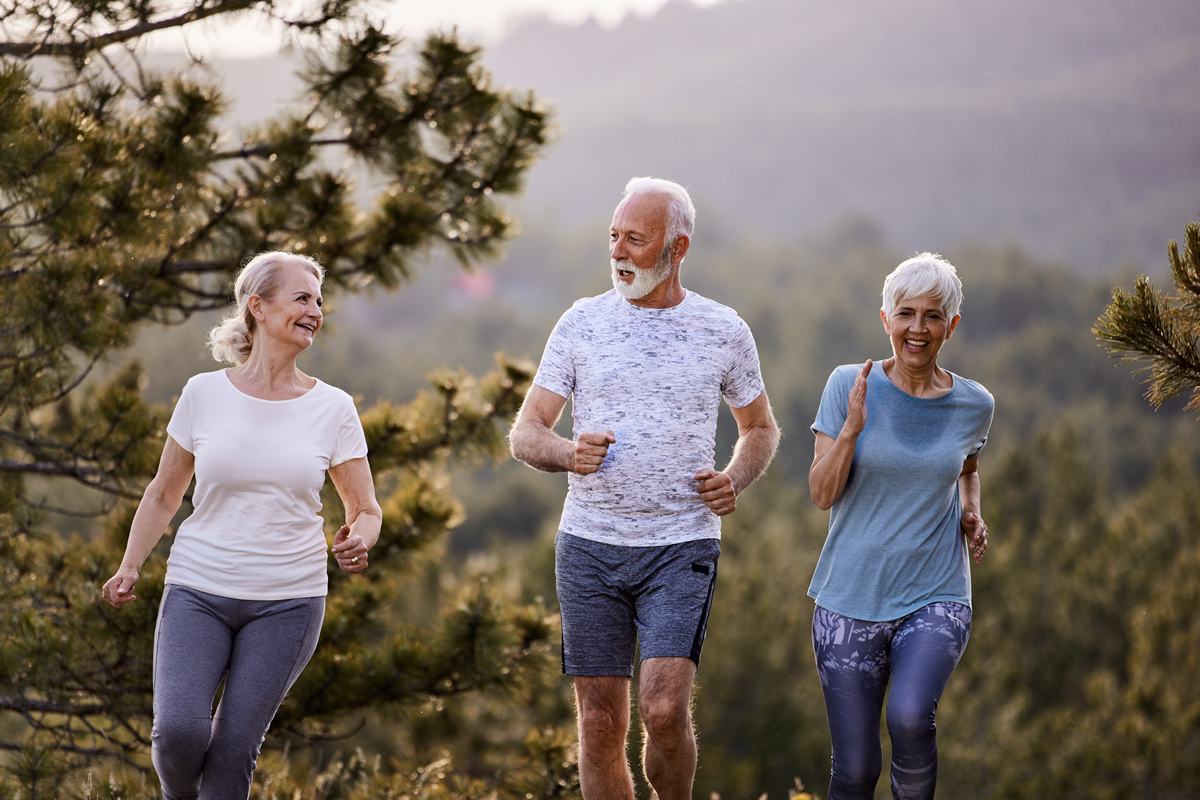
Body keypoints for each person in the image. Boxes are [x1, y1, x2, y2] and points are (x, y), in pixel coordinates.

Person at [509, 177, 780, 800]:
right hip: (589, 547)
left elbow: (761, 428)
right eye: (613, 237)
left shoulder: (722, 329)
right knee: (600, 722)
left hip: (680, 545)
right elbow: (526, 433)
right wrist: (566, 454)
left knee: (661, 710)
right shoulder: (581, 323)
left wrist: (735, 476)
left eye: (635, 239)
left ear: (676, 247)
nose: (619, 252)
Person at [101, 251, 382, 800]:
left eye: (319, 301)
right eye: (302, 298)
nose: (315, 311)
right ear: (257, 306)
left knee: (232, 753)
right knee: (178, 734)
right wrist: (130, 565)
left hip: (288, 602)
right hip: (198, 591)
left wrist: (359, 539)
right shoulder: (203, 393)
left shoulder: (334, 407)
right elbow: (164, 492)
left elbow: (365, 508)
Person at [807, 253, 994, 799]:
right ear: (885, 319)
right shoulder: (848, 385)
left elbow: (967, 468)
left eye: (933, 316)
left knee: (911, 719)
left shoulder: (974, 405)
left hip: (936, 591)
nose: (918, 329)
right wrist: (851, 431)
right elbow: (821, 495)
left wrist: (971, 509)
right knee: (857, 770)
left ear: (950, 326)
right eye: (906, 313)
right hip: (849, 596)